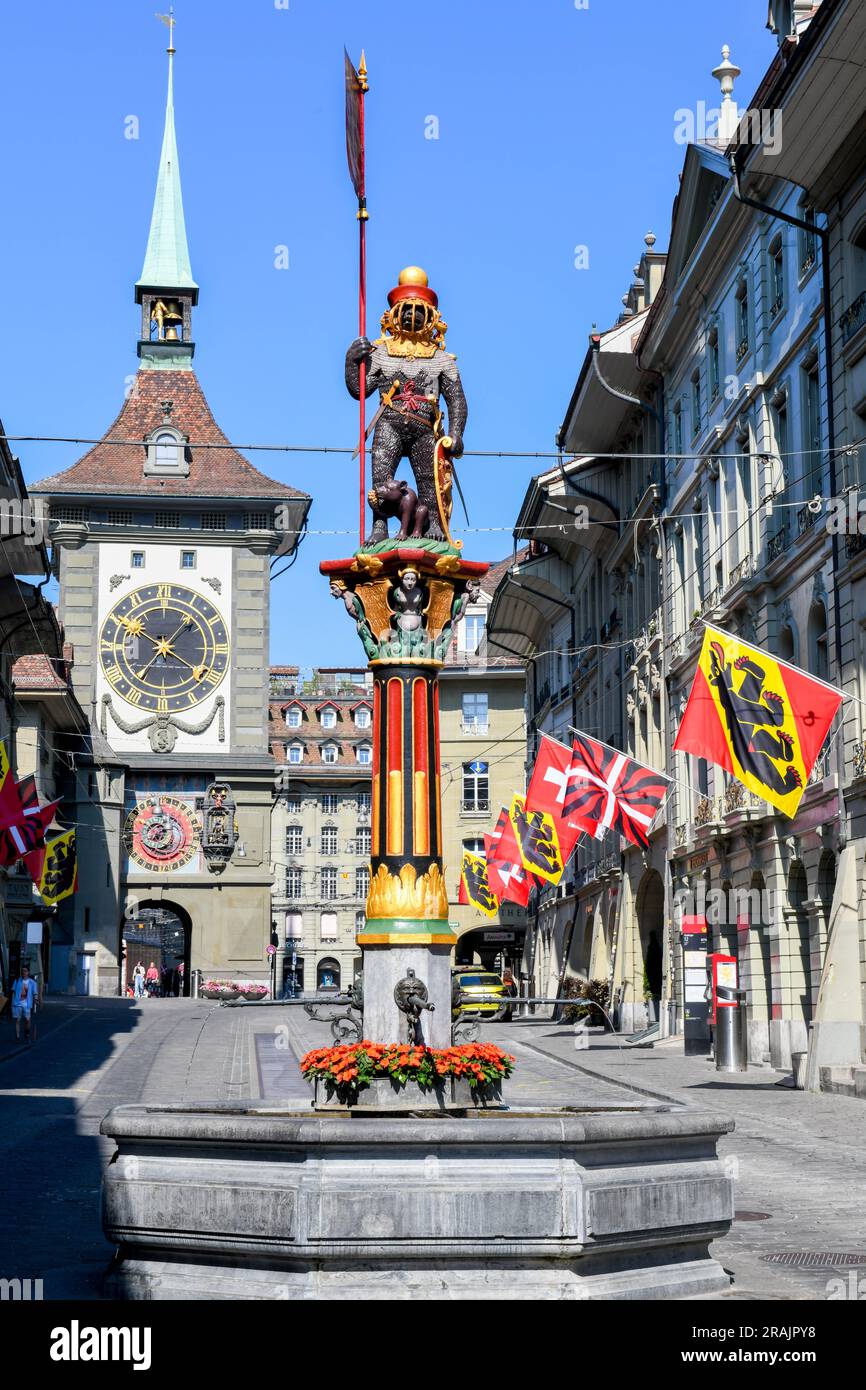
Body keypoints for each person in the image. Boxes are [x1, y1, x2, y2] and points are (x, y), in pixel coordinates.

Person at [12, 964, 38, 1043]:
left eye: (25, 971)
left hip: (27, 1004)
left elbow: (35, 993)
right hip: (17, 1004)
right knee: (17, 1020)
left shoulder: (32, 982)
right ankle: (17, 1037)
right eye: (22, 971)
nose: (23, 972)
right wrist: (12, 1003)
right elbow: (13, 992)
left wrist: (36, 999)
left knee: (27, 1020)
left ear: (28, 972)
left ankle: (27, 1035)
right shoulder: (17, 980)